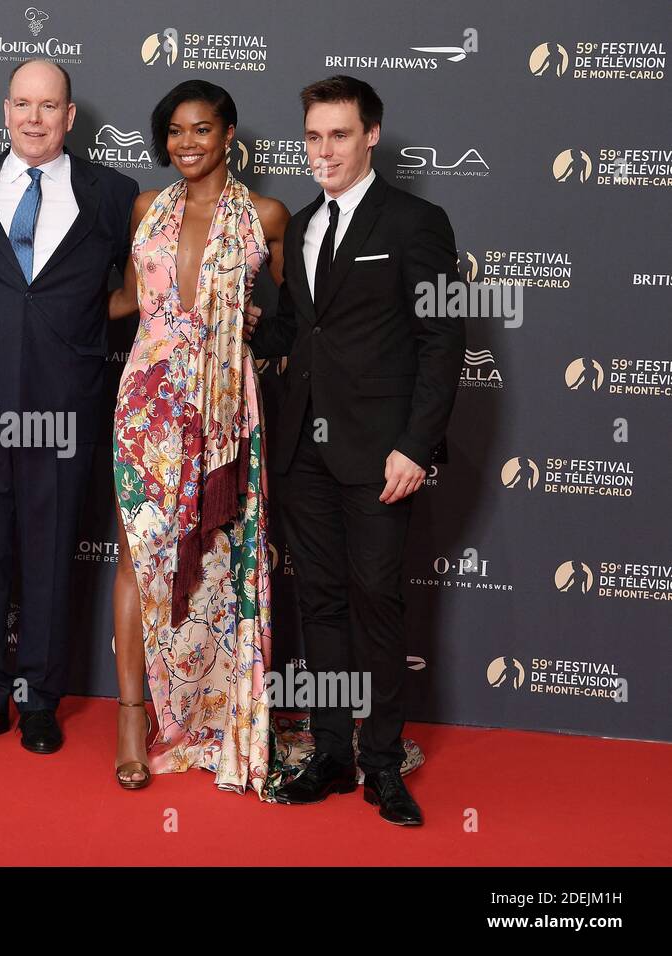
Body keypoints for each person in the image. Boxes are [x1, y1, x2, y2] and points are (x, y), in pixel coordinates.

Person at [248, 75, 464, 825]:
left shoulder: (416, 221)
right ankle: (333, 753)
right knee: (322, 602)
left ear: (371, 135)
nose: (324, 150)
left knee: (377, 601)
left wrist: (417, 445)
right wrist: (232, 316)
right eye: (313, 136)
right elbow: (295, 337)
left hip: (380, 455)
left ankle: (384, 764)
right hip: (303, 447)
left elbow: (443, 342)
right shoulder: (301, 225)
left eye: (339, 134)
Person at [0, 58, 139, 754]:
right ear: (5, 110)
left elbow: (139, 290)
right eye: (23, 103)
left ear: (70, 116)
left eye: (48, 106)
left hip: (67, 399)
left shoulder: (115, 194)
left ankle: (41, 698)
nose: (34, 117)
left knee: (52, 548)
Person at [108, 81, 288, 793]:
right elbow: (126, 299)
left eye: (202, 129)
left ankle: (215, 722)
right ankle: (132, 719)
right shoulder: (145, 209)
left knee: (221, 562)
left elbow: (295, 318)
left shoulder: (266, 216)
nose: (187, 143)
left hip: (223, 411)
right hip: (145, 406)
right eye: (176, 131)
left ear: (229, 134)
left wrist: (255, 328)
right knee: (137, 559)